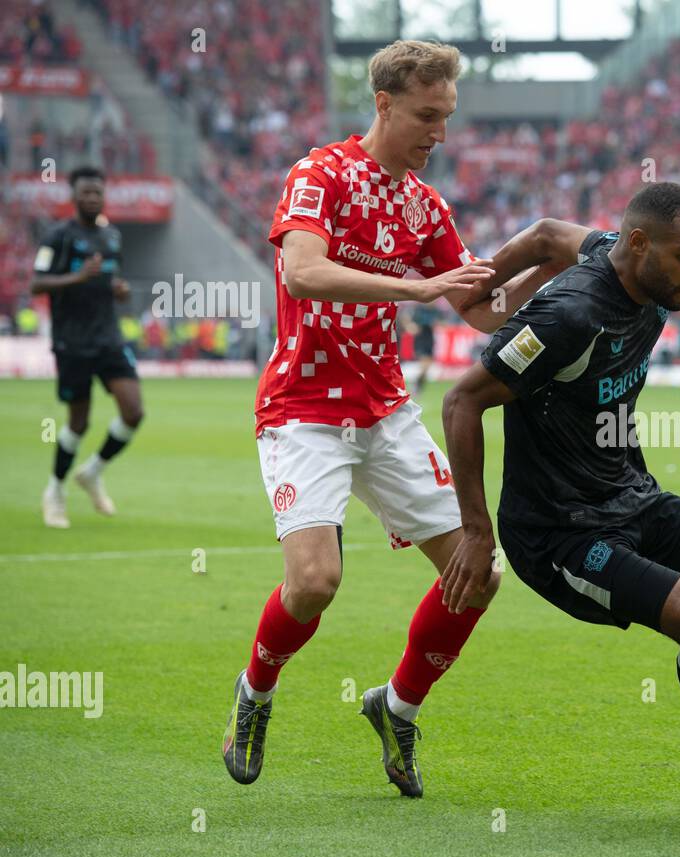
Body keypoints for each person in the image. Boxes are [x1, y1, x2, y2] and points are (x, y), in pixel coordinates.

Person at [222, 39, 572, 797]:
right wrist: (416, 290)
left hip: (383, 412)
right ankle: (254, 694)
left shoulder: (425, 204)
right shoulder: (321, 173)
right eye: (426, 115)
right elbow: (303, 270)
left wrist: (560, 266)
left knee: (477, 576)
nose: (438, 134)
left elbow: (481, 309)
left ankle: (398, 707)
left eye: (445, 117)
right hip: (304, 409)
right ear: (384, 103)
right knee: (315, 582)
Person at [440, 183, 680, 811]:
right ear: (639, 244)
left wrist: (480, 294)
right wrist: (473, 530)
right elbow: (462, 400)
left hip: (631, 496)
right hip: (558, 532)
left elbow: (548, 232)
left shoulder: (623, 255)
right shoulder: (568, 317)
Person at [31, 166, 141, 529]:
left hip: (108, 338)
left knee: (133, 411)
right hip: (72, 342)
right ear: (73, 196)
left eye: (98, 192)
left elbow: (112, 279)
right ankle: (55, 490)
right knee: (78, 422)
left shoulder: (112, 237)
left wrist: (119, 290)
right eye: (86, 192)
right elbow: (37, 284)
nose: (92, 198)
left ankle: (92, 472)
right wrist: (77, 277)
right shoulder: (58, 237)